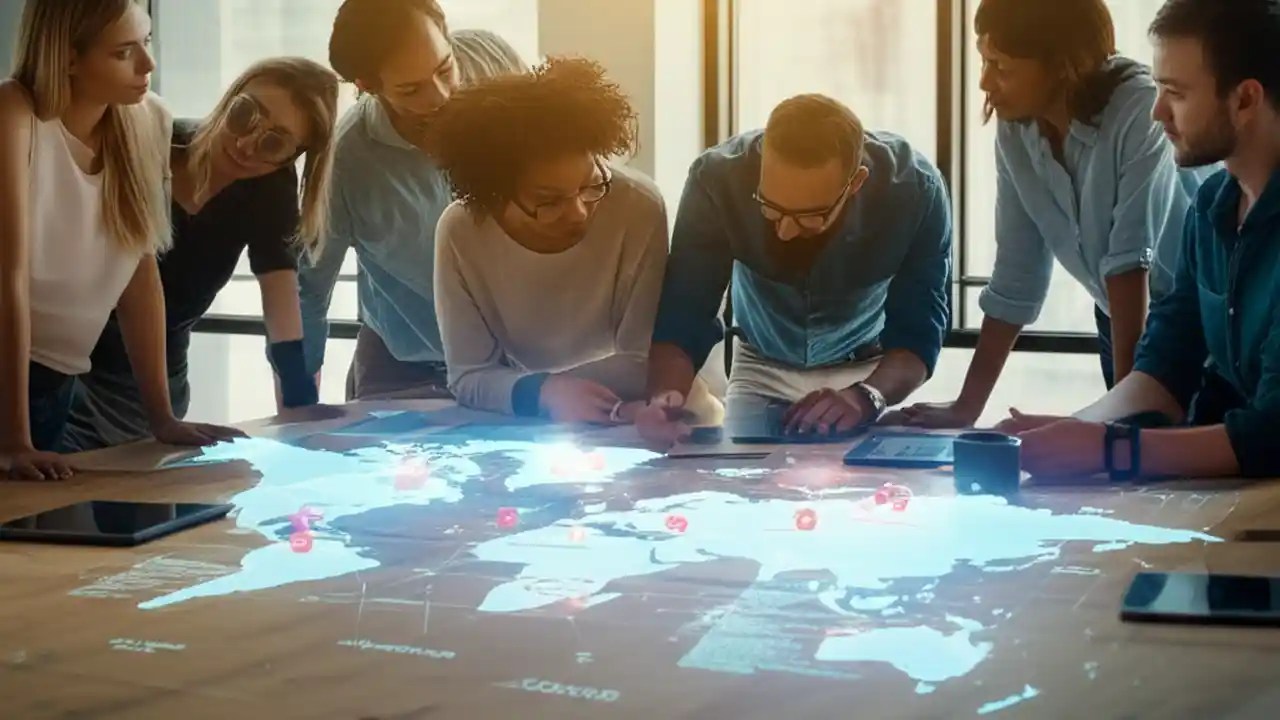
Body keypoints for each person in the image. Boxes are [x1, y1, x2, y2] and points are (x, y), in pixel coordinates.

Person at [896, 0, 1211, 430]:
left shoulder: (1138, 106)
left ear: (1064, 66)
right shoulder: (1017, 127)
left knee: (1181, 467)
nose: (986, 82)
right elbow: (1017, 273)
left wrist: (1117, 422)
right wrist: (965, 408)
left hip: (1192, 320)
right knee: (1132, 471)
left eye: (1002, 67)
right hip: (1117, 316)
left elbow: (1130, 258)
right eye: (984, 61)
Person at [1005, 0, 1280, 481]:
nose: (1157, 113)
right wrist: (1073, 428)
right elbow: (1164, 368)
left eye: (1174, 93)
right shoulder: (1212, 206)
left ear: (1245, 100)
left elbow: (1274, 433)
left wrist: (1110, 448)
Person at [0, 0, 240, 481]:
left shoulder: (149, 118)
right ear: (67, 58)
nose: (148, 65)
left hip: (54, 382)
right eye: (123, 52)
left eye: (147, 43)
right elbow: (9, 275)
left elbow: (138, 271)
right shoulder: (13, 112)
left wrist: (163, 419)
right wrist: (15, 440)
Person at [637, 94, 952, 445]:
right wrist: (664, 398)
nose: (785, 231)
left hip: (869, 370)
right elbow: (686, 312)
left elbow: (920, 330)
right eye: (770, 208)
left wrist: (868, 396)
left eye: (810, 216)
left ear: (856, 182)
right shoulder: (717, 179)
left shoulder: (915, 190)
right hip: (760, 367)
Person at [61, 57, 340, 452]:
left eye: (274, 142)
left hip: (152, 388)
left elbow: (281, 307)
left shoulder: (269, 190)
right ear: (230, 98)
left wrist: (300, 418)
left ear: (292, 157)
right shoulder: (152, 142)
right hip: (67, 365)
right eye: (245, 114)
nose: (245, 145)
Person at [300, 0, 527, 401]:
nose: (440, 96)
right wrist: (297, 405)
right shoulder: (344, 161)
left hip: (520, 361)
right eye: (410, 89)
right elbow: (310, 289)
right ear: (368, 85)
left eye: (445, 68)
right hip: (407, 370)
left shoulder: (495, 65)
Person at [423, 57, 667, 422]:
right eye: (549, 201)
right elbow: (469, 376)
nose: (579, 212)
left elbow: (642, 361)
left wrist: (532, 389)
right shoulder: (460, 233)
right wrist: (543, 393)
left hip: (660, 411)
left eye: (589, 185)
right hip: (547, 425)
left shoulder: (638, 207)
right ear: (493, 195)